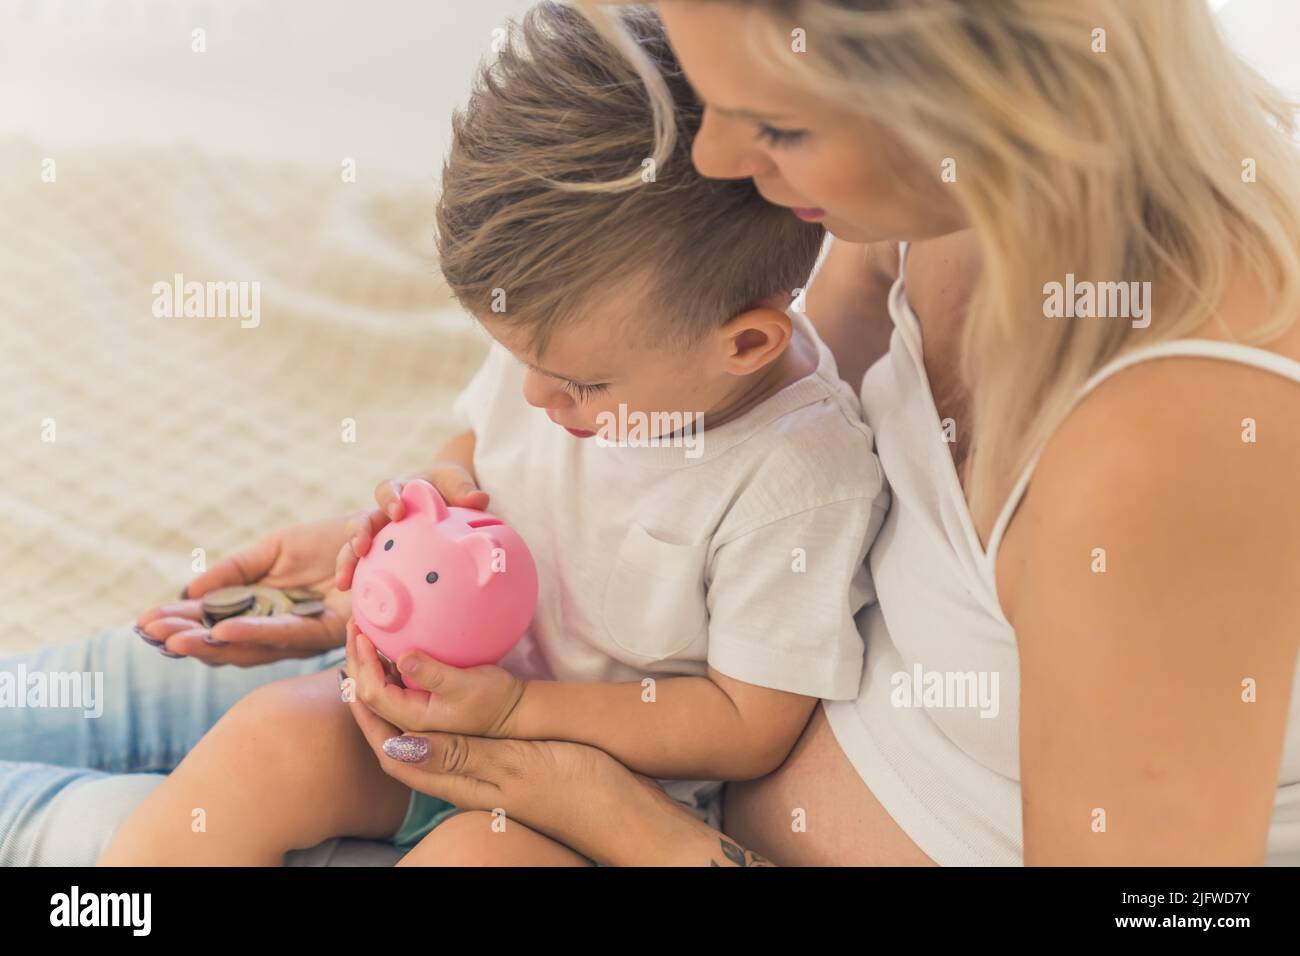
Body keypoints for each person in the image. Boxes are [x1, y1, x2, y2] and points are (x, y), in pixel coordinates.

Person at [5, 0, 1299, 867]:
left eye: (781, 127)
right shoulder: (957, 192)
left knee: (117, 824)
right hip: (576, 728)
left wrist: (612, 810)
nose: (723, 161)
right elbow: (716, 418)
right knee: (164, 691)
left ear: (962, 88)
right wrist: (425, 553)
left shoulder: (1171, 436)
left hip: (644, 826)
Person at [95, 2, 885, 866]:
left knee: (473, 857)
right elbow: (476, 450)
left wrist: (516, 714)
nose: (537, 396)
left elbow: (748, 726)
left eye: (581, 384)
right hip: (438, 723)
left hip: (601, 802)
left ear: (744, 345)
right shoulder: (570, 352)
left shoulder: (797, 476)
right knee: (270, 738)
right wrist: (429, 498)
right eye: (517, 358)